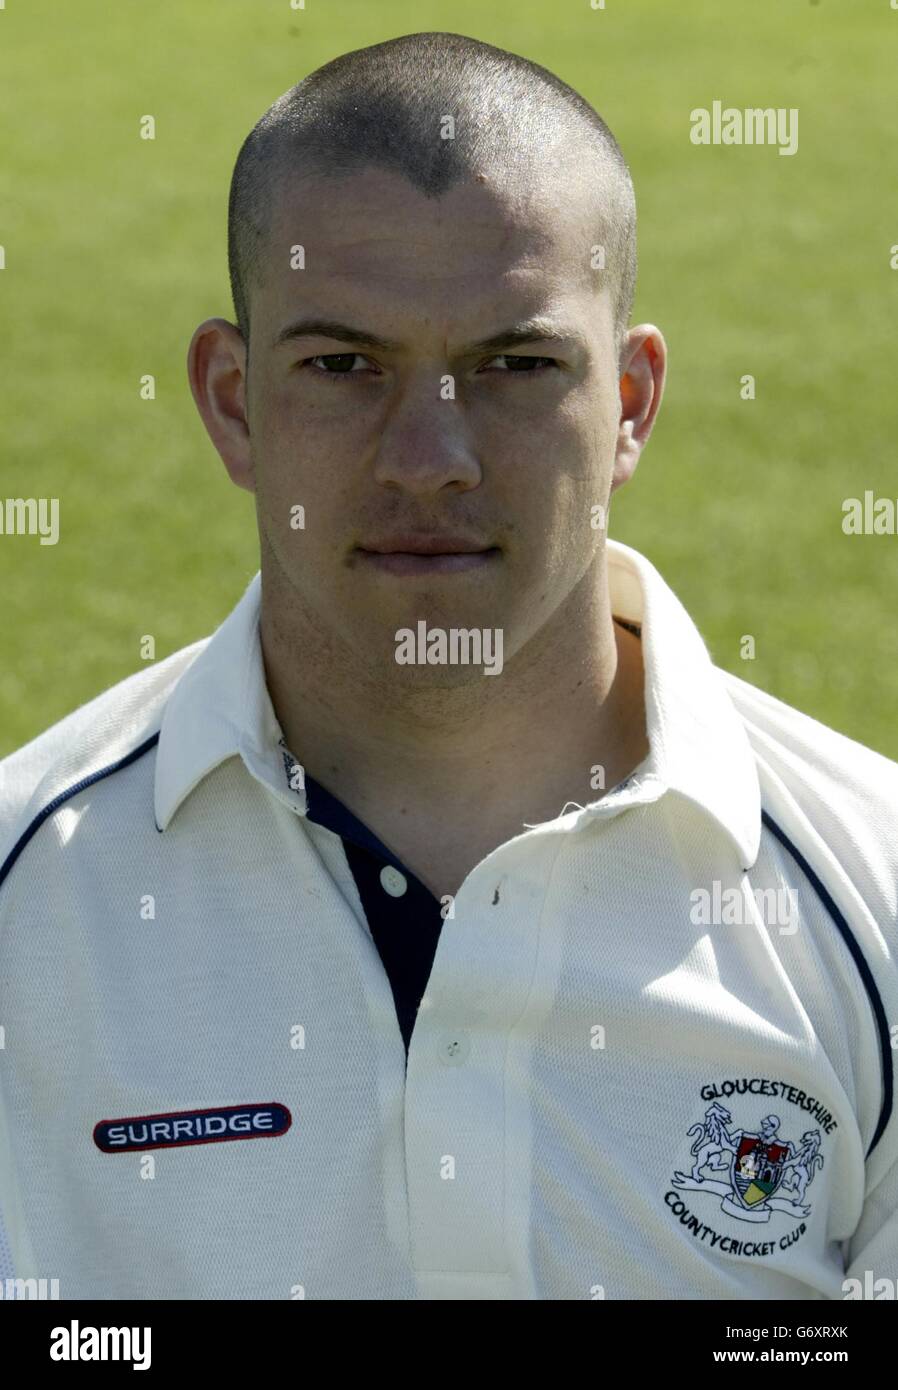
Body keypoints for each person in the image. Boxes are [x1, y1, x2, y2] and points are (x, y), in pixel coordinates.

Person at [1, 31, 896, 1302]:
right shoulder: (25, 904)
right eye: (343, 366)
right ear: (233, 399)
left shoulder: (874, 905)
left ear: (631, 403)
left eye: (515, 365)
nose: (430, 457)